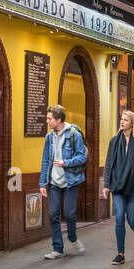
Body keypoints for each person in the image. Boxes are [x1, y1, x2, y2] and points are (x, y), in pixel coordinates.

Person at [38, 104, 88, 259]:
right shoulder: (49, 137)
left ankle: (72, 238)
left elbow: (83, 156)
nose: (47, 121)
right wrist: (42, 183)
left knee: (69, 213)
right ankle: (58, 249)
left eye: (49, 118)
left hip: (70, 181)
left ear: (58, 120)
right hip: (53, 182)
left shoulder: (74, 134)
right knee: (53, 214)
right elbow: (45, 160)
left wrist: (66, 162)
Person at [101, 110, 134, 264]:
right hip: (117, 185)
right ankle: (120, 254)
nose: (122, 122)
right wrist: (106, 185)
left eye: (125, 120)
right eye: (121, 119)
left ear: (132, 123)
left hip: (133, 186)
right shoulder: (114, 141)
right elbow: (108, 164)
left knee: (132, 219)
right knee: (119, 217)